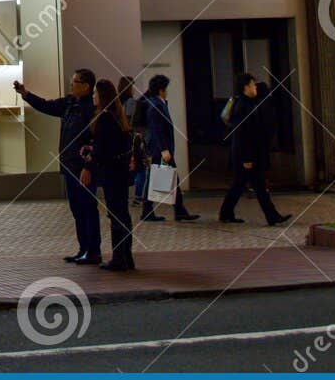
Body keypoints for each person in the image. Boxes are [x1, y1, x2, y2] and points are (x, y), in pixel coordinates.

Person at [16, 70, 101, 265]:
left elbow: (94, 141)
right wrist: (26, 94)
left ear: (86, 86)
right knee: (77, 209)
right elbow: (47, 106)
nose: (71, 85)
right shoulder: (69, 104)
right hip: (69, 165)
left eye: (75, 81)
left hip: (83, 168)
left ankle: (93, 251)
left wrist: (88, 165)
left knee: (88, 207)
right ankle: (83, 249)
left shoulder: (91, 110)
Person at [218, 73, 291, 226]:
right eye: (252, 84)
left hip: (248, 155)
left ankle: (226, 213)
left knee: (242, 185)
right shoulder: (242, 106)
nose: (255, 87)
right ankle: (272, 216)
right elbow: (242, 135)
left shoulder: (249, 103)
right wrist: (247, 158)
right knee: (256, 186)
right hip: (245, 156)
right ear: (246, 87)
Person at [84, 78, 135, 271]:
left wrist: (91, 155)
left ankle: (119, 258)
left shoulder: (104, 118)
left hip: (111, 173)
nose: (93, 97)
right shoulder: (117, 116)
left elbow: (103, 150)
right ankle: (126, 256)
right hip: (120, 172)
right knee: (123, 214)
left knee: (116, 215)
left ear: (102, 96)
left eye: (96, 93)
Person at [141, 73, 198, 222]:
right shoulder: (156, 105)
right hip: (161, 150)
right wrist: (164, 149)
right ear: (161, 90)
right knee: (165, 179)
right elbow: (156, 129)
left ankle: (170, 211)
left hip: (160, 149)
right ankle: (175, 211)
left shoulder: (157, 103)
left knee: (164, 179)